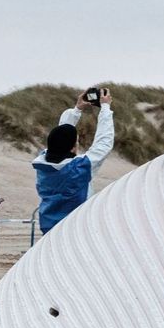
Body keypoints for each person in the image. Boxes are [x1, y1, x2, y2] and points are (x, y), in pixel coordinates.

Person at [33, 87, 115, 234]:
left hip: (49, 228)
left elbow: (60, 137)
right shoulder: (78, 169)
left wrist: (77, 109)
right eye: (76, 142)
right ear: (72, 148)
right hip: (74, 230)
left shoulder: (42, 164)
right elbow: (103, 144)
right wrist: (105, 108)